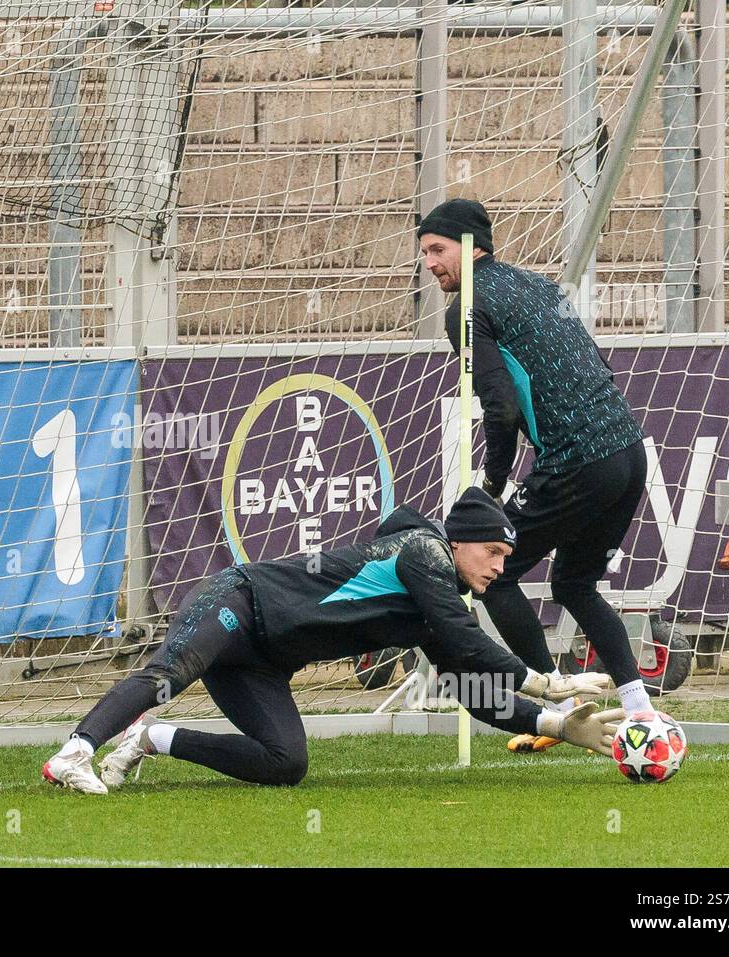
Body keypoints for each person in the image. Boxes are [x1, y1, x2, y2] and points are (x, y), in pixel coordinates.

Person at [42, 488, 622, 793]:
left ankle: (151, 740)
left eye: (505, 557)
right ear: (462, 541)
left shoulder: (433, 602)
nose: (500, 567)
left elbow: (472, 687)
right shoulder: (424, 552)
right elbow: (470, 643)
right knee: (169, 674)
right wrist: (553, 684)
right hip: (238, 604)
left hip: (263, 663)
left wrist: (557, 726)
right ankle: (73, 752)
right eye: (494, 552)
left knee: (287, 763)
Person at [419, 197, 655, 753]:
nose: (428, 263)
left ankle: (567, 708)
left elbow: (499, 409)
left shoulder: (468, 309)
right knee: (573, 583)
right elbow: (597, 362)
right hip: (627, 450)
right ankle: (643, 713)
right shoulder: (540, 285)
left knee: (493, 570)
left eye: (437, 249)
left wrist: (493, 487)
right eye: (424, 252)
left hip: (576, 461)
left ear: (473, 247)